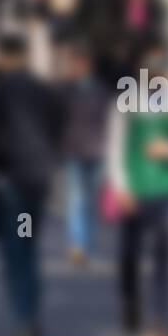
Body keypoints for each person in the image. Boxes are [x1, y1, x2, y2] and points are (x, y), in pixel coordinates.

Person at [0, 32, 65, 336]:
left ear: (3, 56)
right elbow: (58, 126)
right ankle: (31, 313)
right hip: (37, 180)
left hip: (13, 179)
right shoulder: (43, 89)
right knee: (28, 246)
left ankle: (23, 316)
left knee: (16, 252)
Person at [106, 41, 168, 336]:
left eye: (161, 71)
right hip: (134, 190)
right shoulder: (125, 103)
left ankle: (160, 320)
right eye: (150, 71)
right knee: (128, 255)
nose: (156, 76)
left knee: (162, 255)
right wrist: (120, 187)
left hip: (166, 189)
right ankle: (131, 301)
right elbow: (114, 148)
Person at [58, 50, 107, 264]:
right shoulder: (64, 91)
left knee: (90, 200)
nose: (76, 69)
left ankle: (85, 243)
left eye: (80, 64)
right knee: (77, 199)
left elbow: (109, 121)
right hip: (75, 151)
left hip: (96, 151)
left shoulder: (100, 91)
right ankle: (78, 245)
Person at [71, 0, 126, 87]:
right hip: (91, 33)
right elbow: (80, 12)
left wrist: (121, 36)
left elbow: (121, 11)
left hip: (111, 33)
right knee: (93, 66)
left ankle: (110, 91)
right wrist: (79, 35)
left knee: (110, 64)